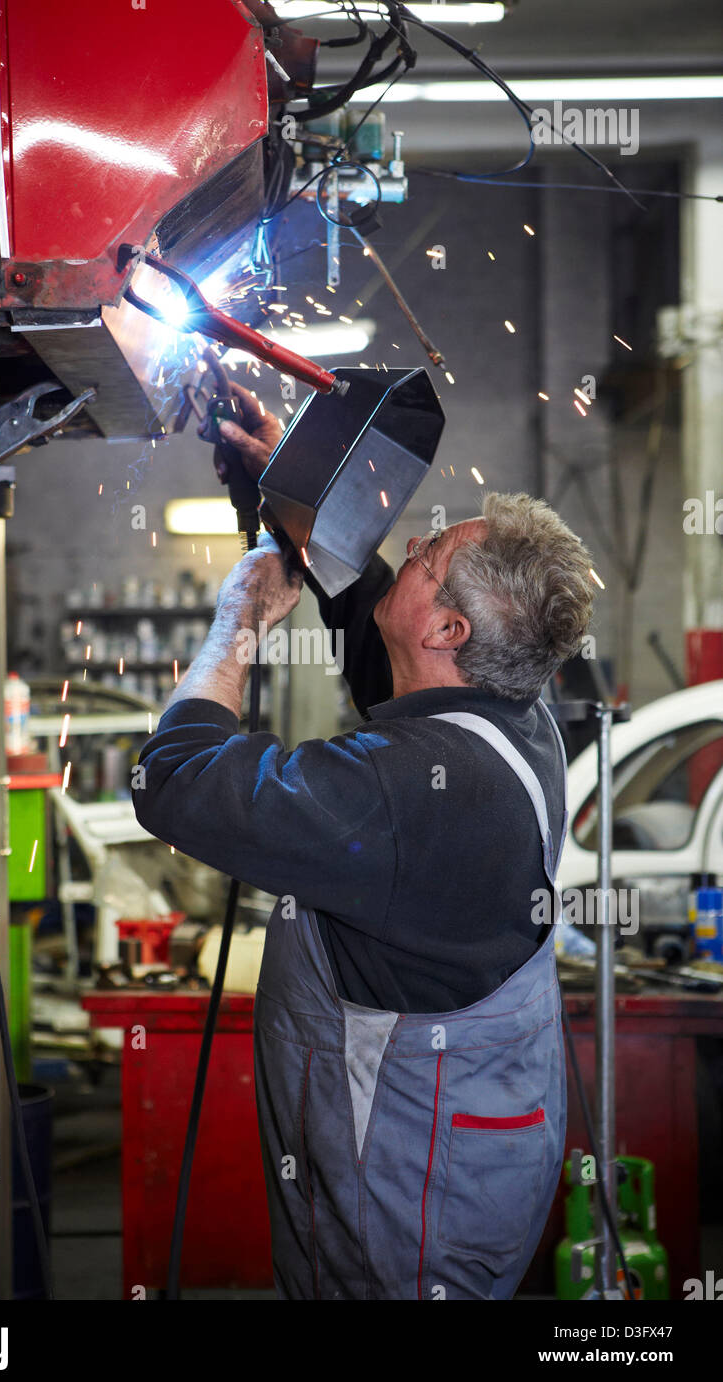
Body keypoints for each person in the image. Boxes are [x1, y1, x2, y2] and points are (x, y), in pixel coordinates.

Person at [132, 383, 596, 1300]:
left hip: (408, 1202)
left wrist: (237, 625)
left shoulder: (410, 792)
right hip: (472, 1151)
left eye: (428, 555)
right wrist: (291, 485)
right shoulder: (513, 709)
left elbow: (176, 781)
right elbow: (370, 607)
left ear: (451, 628)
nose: (409, 549)